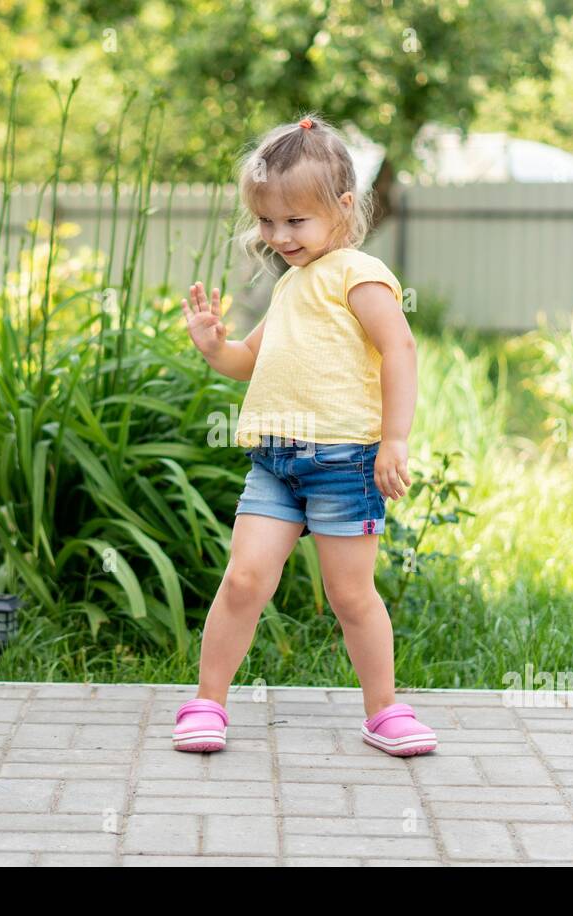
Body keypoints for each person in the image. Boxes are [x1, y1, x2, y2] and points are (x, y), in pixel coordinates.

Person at [176, 113, 437, 757]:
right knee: (243, 581)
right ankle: (208, 702)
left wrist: (395, 440)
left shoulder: (359, 274)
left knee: (350, 594)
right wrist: (216, 346)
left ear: (342, 208)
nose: (279, 236)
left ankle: (384, 710)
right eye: (267, 222)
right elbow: (248, 363)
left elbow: (399, 349)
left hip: (346, 463)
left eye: (296, 221)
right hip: (275, 465)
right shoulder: (291, 286)